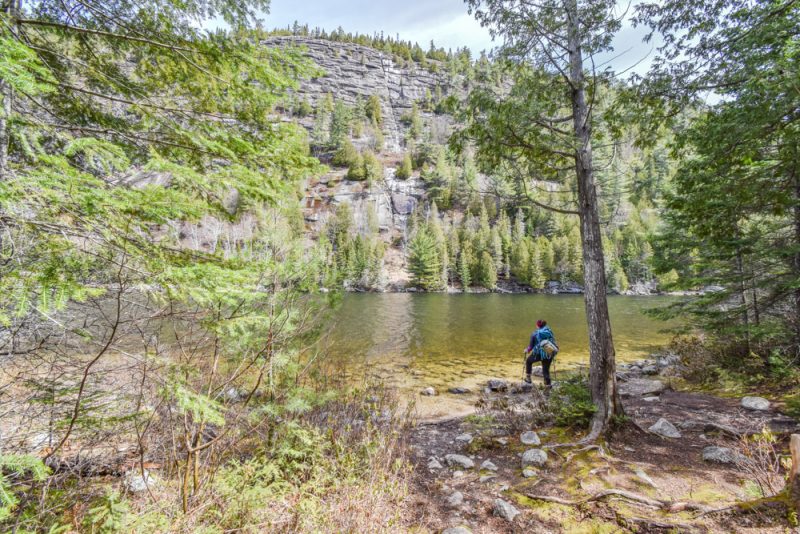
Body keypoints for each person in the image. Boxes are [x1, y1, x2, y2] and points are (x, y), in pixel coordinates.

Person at [524, 319, 558, 386]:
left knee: (528, 361)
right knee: (546, 370)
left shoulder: (535, 334)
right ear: (545, 325)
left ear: (537, 325)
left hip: (539, 353)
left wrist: (526, 350)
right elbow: (553, 341)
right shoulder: (549, 331)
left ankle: (528, 379)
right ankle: (548, 386)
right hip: (549, 353)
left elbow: (530, 347)